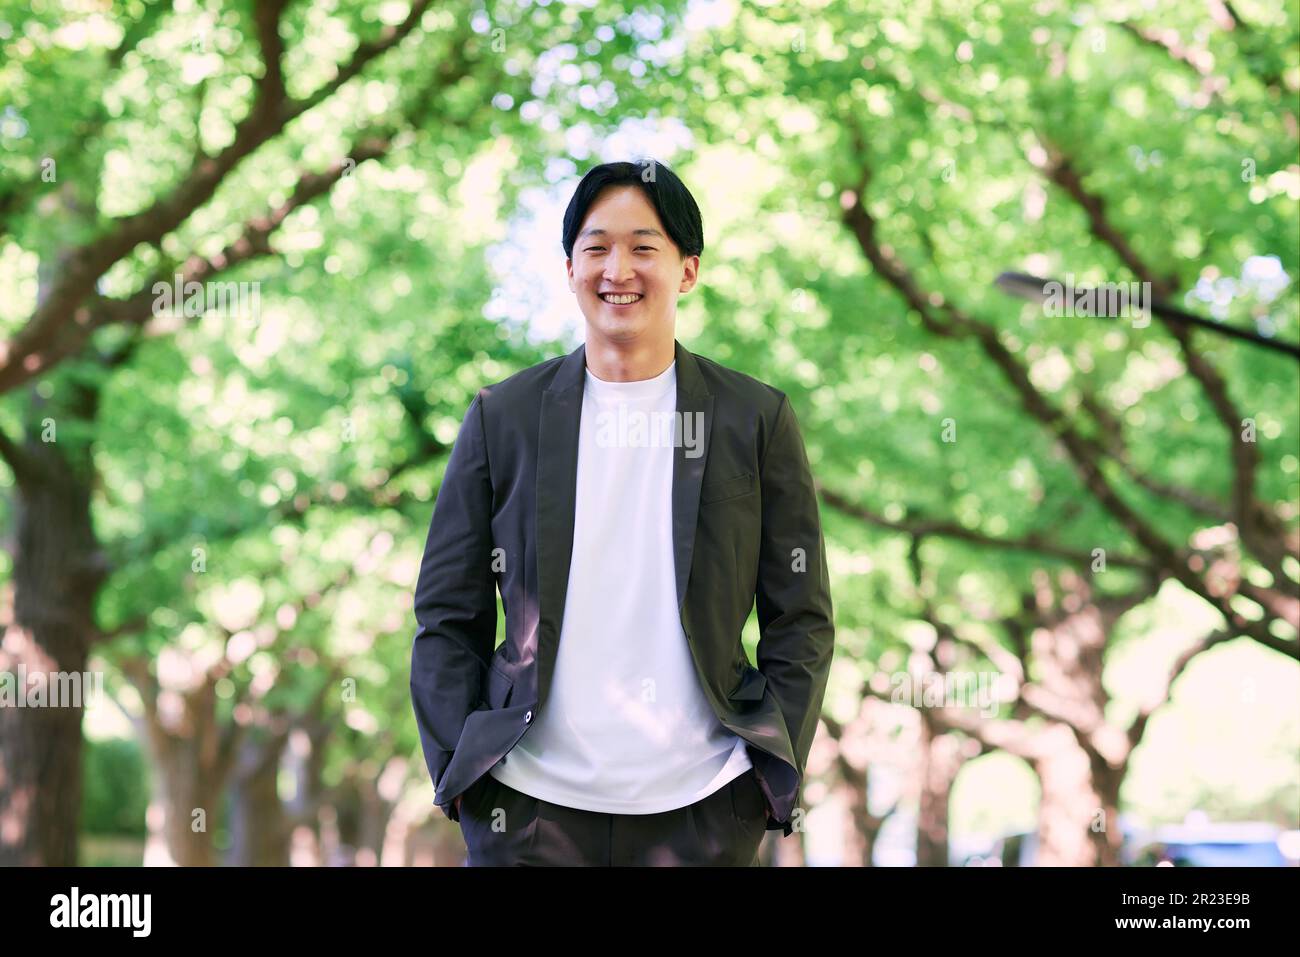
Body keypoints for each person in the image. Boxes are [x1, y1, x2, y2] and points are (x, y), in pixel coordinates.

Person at [410, 158, 835, 866]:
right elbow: (447, 612)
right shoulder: (503, 418)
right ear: (569, 266)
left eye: (645, 247)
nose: (619, 269)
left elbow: (802, 615)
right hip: (525, 806)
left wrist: (763, 776)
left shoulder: (753, 419)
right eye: (597, 247)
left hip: (704, 806)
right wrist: (461, 770)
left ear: (687, 270)